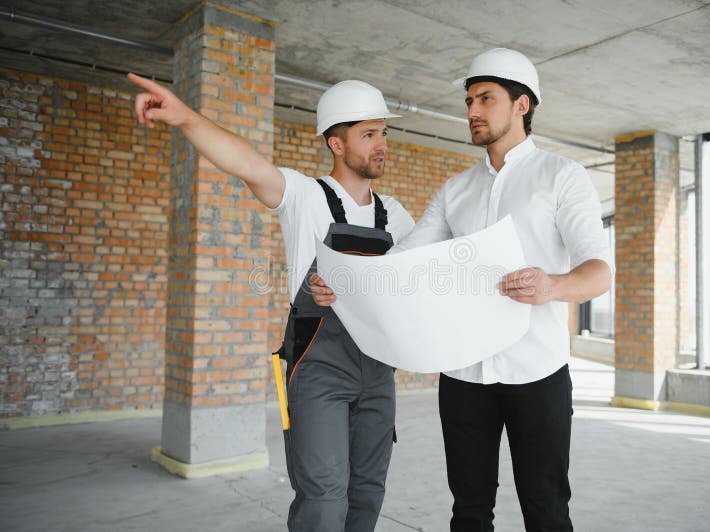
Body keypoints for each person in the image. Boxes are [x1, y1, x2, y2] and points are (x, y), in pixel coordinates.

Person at [311, 48, 612, 531]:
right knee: (469, 511)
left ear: (522, 105)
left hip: (537, 373)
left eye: (485, 99)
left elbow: (599, 271)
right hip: (464, 378)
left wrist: (553, 284)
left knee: (547, 509)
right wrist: (342, 284)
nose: (471, 111)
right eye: (469, 100)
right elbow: (400, 260)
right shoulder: (456, 190)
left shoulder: (562, 177)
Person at [128, 73, 415, 532]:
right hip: (319, 368)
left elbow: (412, 282)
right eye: (368, 134)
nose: (381, 144)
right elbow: (247, 163)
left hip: (378, 371)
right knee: (323, 497)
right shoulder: (305, 196)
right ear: (336, 144)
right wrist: (183, 117)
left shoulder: (396, 215)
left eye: (383, 132)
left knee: (367, 491)